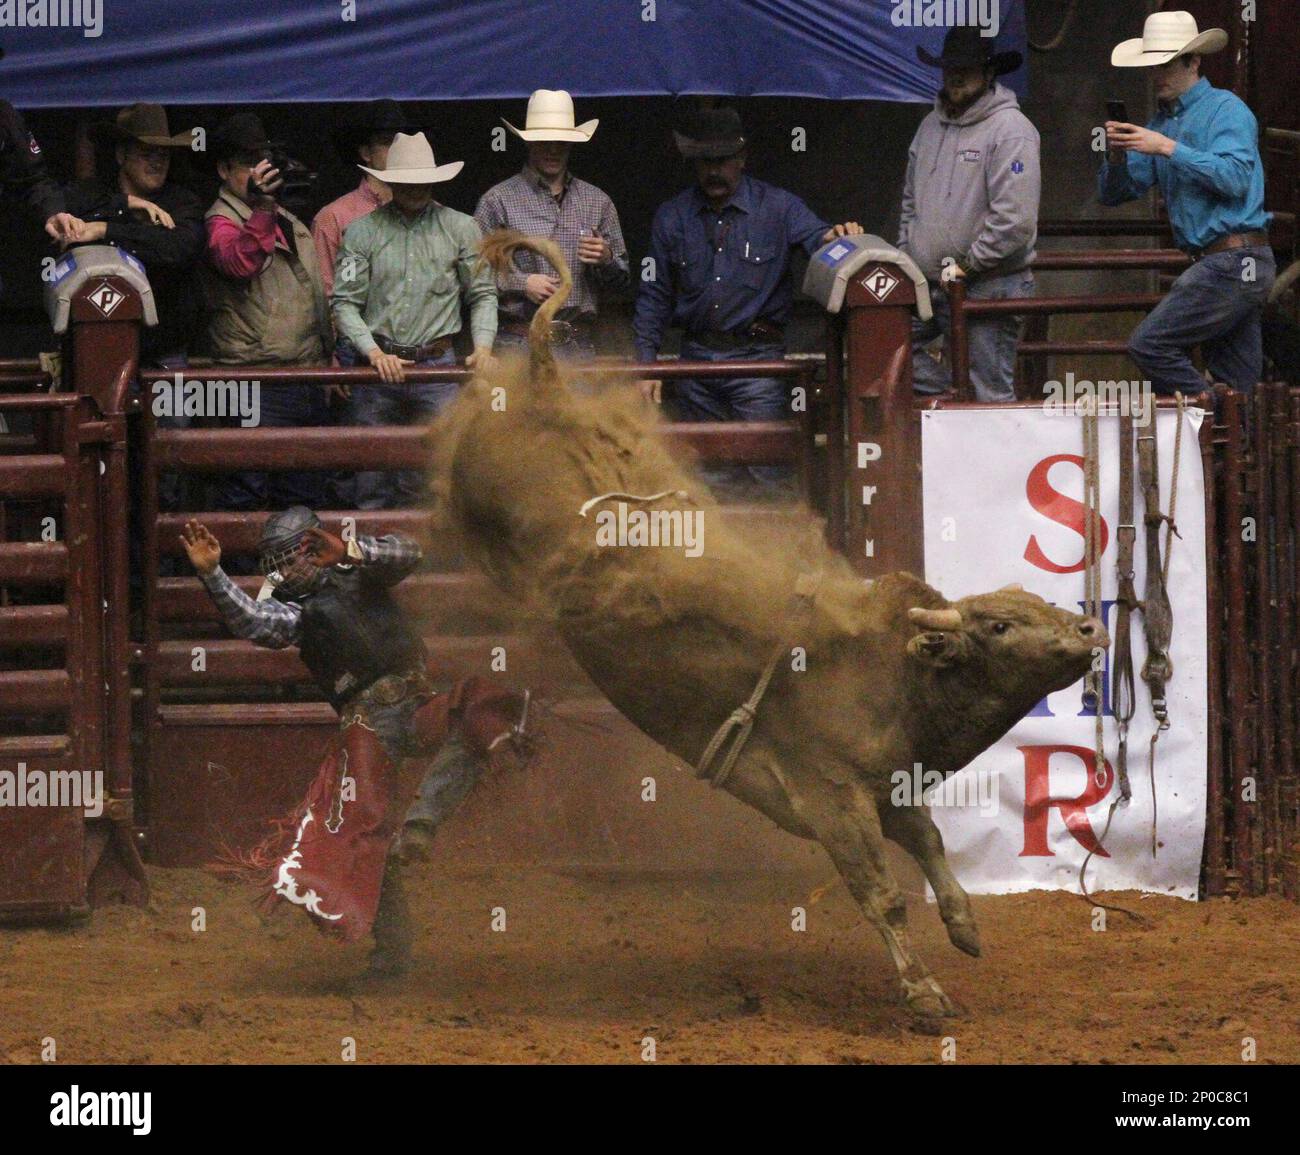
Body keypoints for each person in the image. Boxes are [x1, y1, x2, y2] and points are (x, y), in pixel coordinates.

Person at [179, 508, 527, 977]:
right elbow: (256, 623)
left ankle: (421, 825)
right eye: (275, 563)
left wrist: (353, 551)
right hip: (367, 722)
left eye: (288, 558)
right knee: (361, 831)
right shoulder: (290, 605)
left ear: (309, 547)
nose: (282, 571)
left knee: (479, 707)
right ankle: (392, 951)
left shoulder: (355, 562)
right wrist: (213, 575)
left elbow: (409, 553)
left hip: (414, 698)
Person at [632, 106, 861, 498]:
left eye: (722, 160)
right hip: (696, 364)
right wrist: (647, 364)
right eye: (705, 161)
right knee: (709, 474)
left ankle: (782, 555)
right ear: (694, 164)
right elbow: (653, 294)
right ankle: (724, 559)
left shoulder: (780, 208)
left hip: (759, 361)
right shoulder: (672, 217)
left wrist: (842, 238)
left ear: (742, 159)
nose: (713, 170)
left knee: (769, 468)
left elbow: (821, 241)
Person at [1101, 10, 1274, 395]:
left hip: (1232, 261)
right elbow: (1114, 194)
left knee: (1150, 344)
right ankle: (1233, 435)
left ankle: (1209, 412)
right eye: (1153, 65)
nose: (1157, 74)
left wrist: (1167, 148)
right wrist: (1116, 156)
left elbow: (1233, 179)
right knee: (1238, 383)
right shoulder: (1162, 124)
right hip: (1235, 263)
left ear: (1193, 61)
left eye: (1166, 64)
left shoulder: (1225, 109)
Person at [331, 131, 497, 510]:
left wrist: (484, 346)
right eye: (407, 182)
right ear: (390, 182)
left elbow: (483, 293)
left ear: (434, 181)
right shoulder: (361, 232)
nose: (415, 189)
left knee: (435, 480)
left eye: (422, 182)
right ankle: (371, 564)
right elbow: (344, 303)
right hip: (378, 370)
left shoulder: (461, 228)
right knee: (371, 480)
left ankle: (429, 567)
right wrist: (374, 353)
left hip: (437, 369)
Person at [199, 112, 332, 513]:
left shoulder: (284, 217)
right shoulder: (219, 221)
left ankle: (292, 578)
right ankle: (239, 578)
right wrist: (262, 206)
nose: (261, 170)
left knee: (303, 495)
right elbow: (240, 263)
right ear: (224, 169)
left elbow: (313, 292)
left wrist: (330, 352)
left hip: (305, 375)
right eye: (248, 162)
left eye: (265, 159)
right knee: (246, 494)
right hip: (253, 380)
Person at [900, 27, 1040, 403]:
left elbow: (1015, 221)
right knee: (888, 348)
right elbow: (911, 201)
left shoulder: (1012, 131)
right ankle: (959, 392)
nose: (956, 76)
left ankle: (973, 412)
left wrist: (969, 264)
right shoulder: (929, 127)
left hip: (990, 283)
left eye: (968, 69)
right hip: (932, 282)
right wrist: (908, 256)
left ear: (988, 73)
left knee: (988, 394)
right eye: (949, 68)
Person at [474, 89, 628, 359]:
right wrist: (522, 283)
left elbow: (622, 280)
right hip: (519, 342)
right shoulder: (497, 201)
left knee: (583, 405)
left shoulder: (598, 202)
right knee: (517, 405)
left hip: (578, 344)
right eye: (544, 141)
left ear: (571, 144)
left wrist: (607, 258)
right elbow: (474, 275)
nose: (553, 149)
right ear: (529, 143)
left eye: (561, 142)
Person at [65, 103, 204, 369]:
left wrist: (106, 230)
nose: (158, 161)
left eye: (164, 154)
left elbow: (178, 248)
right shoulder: (93, 196)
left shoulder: (182, 202)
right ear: (121, 155)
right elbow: (66, 213)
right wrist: (126, 205)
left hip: (164, 351)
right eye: (147, 152)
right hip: (97, 350)